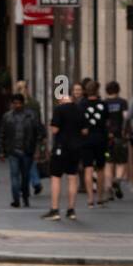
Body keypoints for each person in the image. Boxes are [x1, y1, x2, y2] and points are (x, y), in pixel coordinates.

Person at [41, 83, 88, 222]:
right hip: (76, 148)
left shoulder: (59, 109)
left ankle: (54, 210)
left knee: (56, 177)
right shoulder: (79, 109)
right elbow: (85, 130)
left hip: (61, 147)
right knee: (72, 177)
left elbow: (54, 129)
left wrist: (52, 125)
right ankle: (71, 210)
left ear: (61, 96)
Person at [0, 93, 43, 208]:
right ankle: (16, 199)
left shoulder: (31, 116)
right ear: (12, 104)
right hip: (13, 150)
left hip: (27, 150)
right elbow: (2, 134)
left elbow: (38, 134)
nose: (17, 105)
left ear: (23, 103)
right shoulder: (7, 117)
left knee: (25, 176)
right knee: (14, 175)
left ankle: (25, 197)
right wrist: (2, 151)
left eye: (19, 103)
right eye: (15, 103)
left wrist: (38, 150)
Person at [80, 80, 108, 208]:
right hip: (100, 139)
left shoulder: (81, 104)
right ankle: (100, 198)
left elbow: (78, 122)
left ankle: (90, 199)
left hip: (86, 140)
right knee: (101, 168)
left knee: (88, 168)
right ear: (97, 90)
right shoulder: (103, 104)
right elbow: (107, 122)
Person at [15, 79, 44, 196]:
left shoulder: (28, 104)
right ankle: (34, 182)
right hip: (25, 138)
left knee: (25, 162)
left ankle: (30, 184)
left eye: (20, 88)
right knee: (27, 161)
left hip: (24, 138)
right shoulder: (31, 103)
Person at [102, 81, 128, 201]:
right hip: (119, 138)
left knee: (108, 163)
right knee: (121, 162)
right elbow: (126, 117)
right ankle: (117, 180)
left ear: (107, 90)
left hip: (107, 139)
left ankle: (109, 190)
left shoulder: (103, 103)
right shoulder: (122, 102)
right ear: (118, 90)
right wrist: (125, 131)